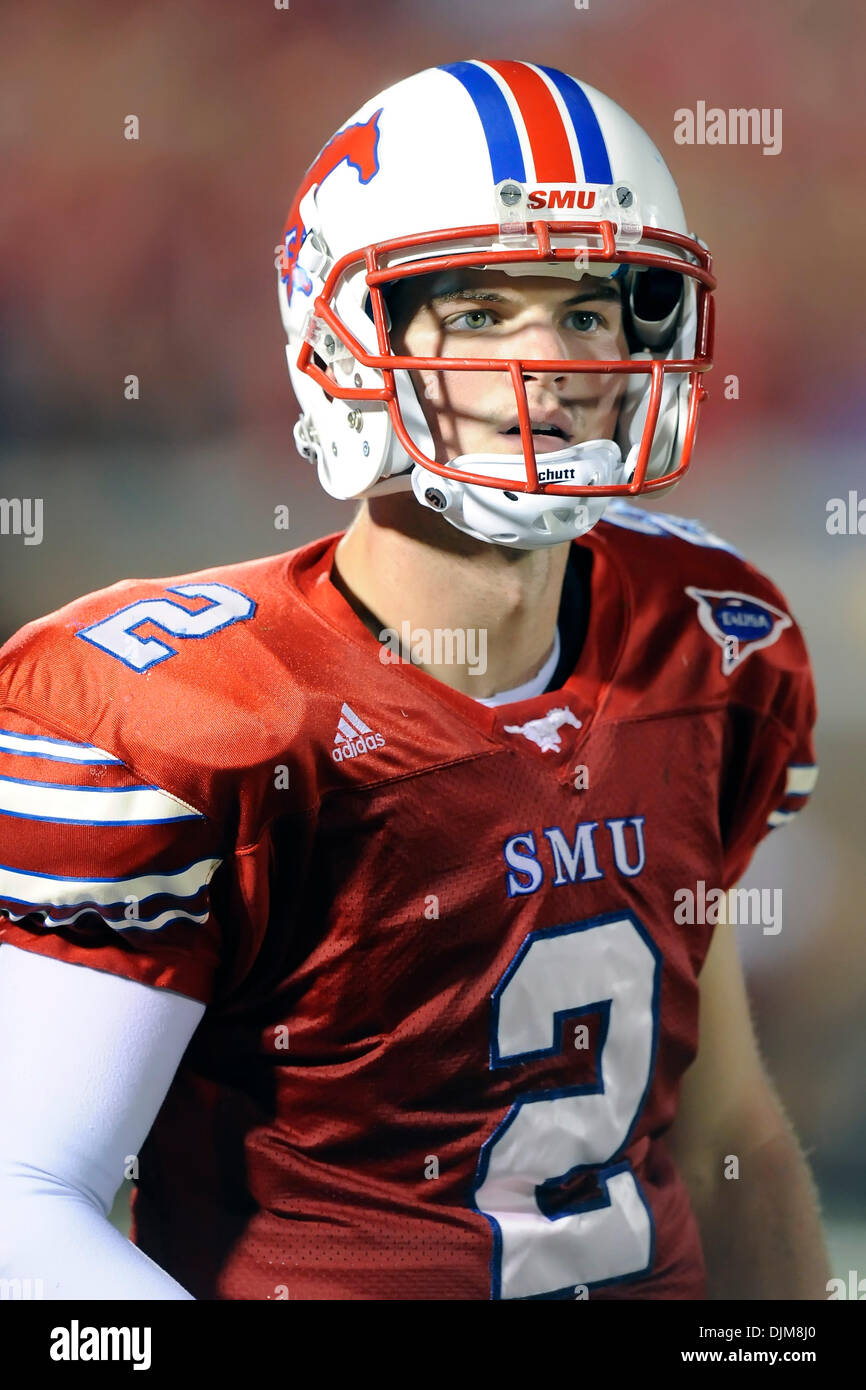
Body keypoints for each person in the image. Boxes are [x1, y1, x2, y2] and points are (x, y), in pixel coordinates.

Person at [0, 60, 831, 1300]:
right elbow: (26, 1205)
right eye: (483, 313)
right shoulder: (190, 717)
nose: (549, 361)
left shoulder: (707, 640)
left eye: (590, 309)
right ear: (348, 341)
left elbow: (725, 1132)